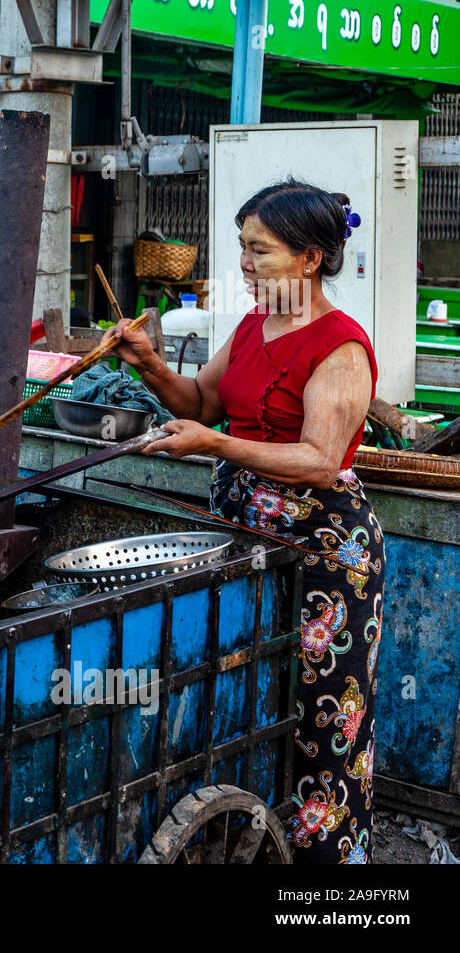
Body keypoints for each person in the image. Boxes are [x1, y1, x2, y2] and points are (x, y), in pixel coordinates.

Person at [103, 179, 382, 864]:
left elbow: (319, 460)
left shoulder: (341, 347)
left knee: (320, 718)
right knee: (243, 695)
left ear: (310, 258)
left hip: (324, 551)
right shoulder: (254, 326)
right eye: (243, 249)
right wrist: (150, 367)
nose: (246, 265)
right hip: (247, 536)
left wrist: (218, 446)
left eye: (260, 251)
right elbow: (199, 403)